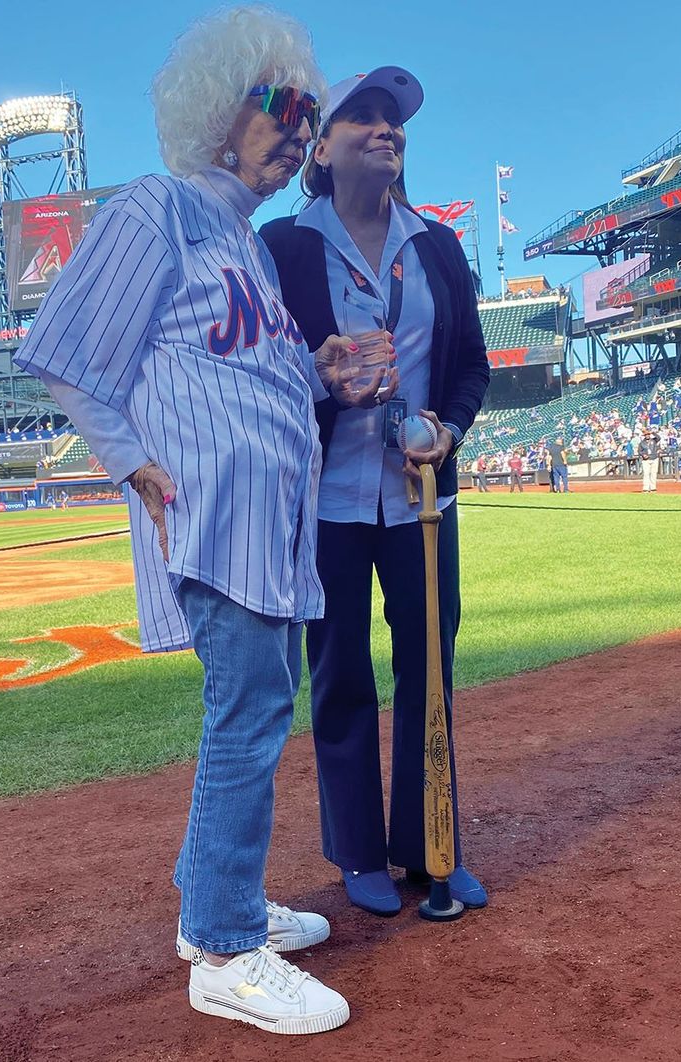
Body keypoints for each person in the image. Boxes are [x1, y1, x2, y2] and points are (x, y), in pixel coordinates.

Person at [14, 7, 388, 1036]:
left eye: (307, 114)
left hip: (268, 527)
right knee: (249, 714)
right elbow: (64, 349)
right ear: (219, 108)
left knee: (257, 709)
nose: (297, 129)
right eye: (279, 104)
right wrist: (131, 462)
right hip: (214, 521)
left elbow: (235, 367)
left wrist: (313, 367)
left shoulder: (244, 246)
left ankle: (215, 906)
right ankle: (224, 950)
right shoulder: (161, 205)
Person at [260, 66, 490, 917]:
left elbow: (471, 367)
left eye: (394, 120)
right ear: (321, 149)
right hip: (325, 502)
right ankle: (358, 852)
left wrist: (448, 431)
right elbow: (261, 370)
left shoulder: (438, 247)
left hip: (423, 501)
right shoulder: (282, 246)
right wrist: (325, 385)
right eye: (362, 116)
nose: (386, 129)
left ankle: (432, 846)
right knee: (341, 675)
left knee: (430, 671)